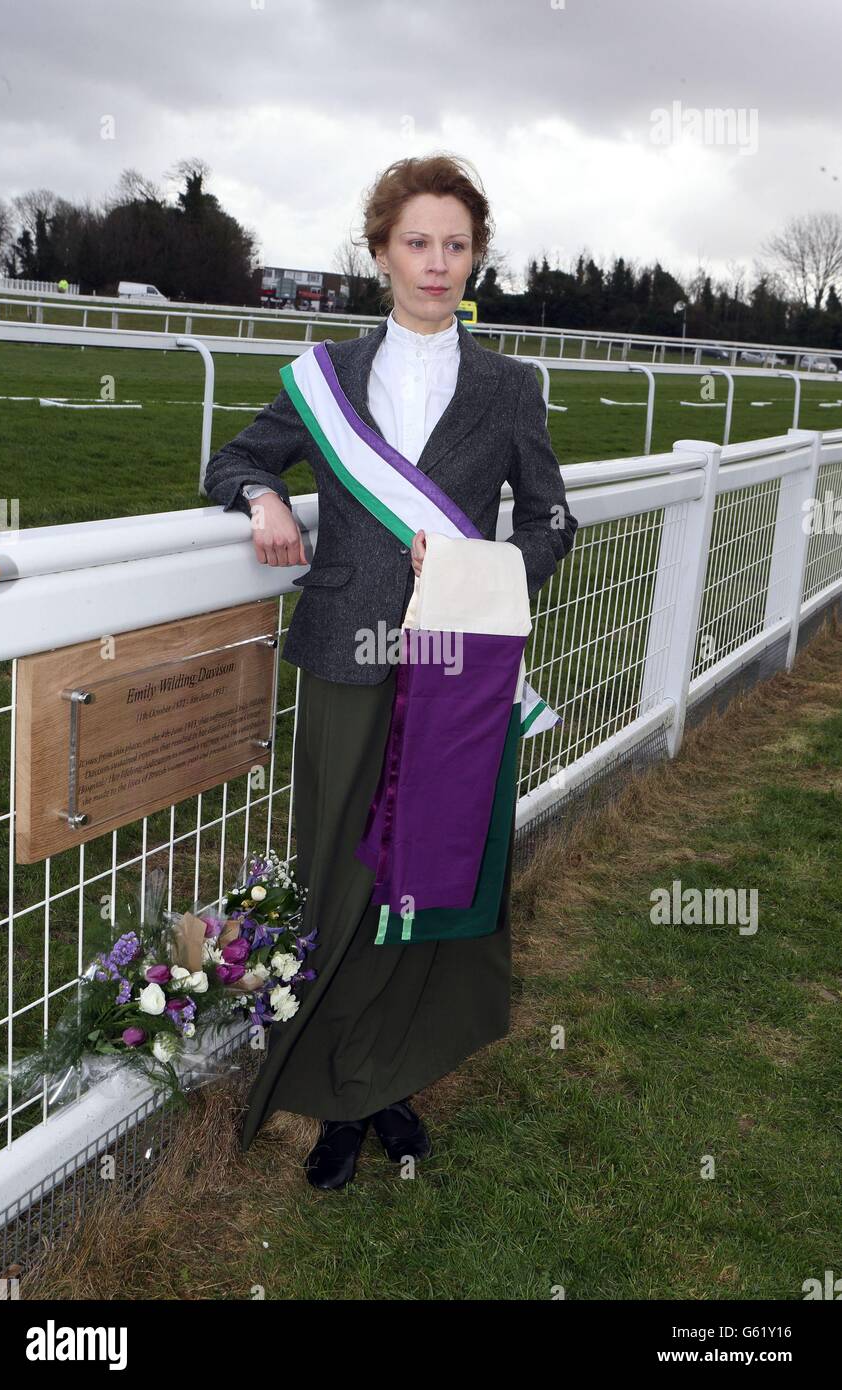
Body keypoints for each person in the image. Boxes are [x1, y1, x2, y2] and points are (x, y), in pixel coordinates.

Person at [203, 152, 579, 1190]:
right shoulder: (323, 376)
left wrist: (489, 569)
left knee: (431, 870)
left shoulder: (511, 386)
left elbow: (550, 517)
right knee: (340, 872)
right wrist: (263, 501)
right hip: (341, 660)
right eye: (416, 242)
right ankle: (333, 1083)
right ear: (378, 253)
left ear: (475, 259)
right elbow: (230, 459)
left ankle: (382, 1080)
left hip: (455, 668)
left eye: (455, 244)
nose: (436, 262)